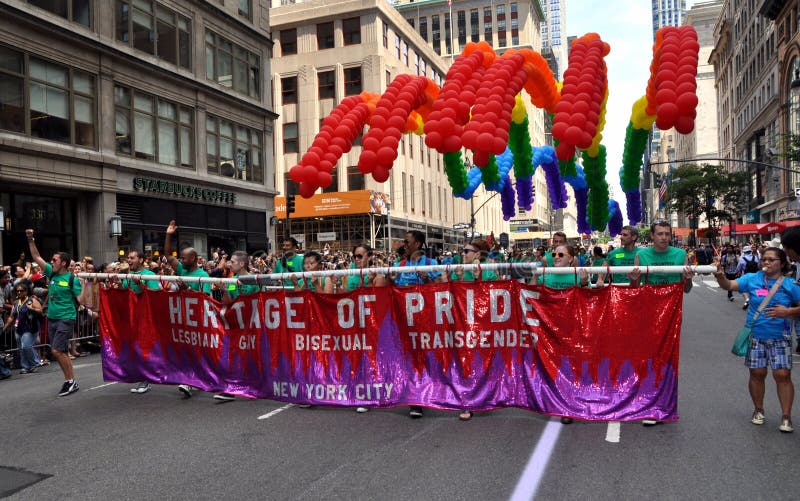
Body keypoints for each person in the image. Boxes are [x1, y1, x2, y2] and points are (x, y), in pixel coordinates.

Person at [713, 247, 798, 433]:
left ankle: (786, 417)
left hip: (781, 337)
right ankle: (758, 410)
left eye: (771, 259)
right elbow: (729, 285)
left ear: (782, 263)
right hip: (756, 335)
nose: (766, 262)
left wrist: (788, 312)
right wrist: (719, 276)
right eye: (764, 259)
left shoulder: (790, 284)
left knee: (783, 375)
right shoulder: (752, 278)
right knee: (757, 374)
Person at [629, 220, 694, 425]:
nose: (664, 237)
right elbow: (634, 289)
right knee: (649, 360)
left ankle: (663, 405)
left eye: (667, 234)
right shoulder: (642, 256)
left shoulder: (680, 255)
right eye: (660, 234)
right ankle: (649, 404)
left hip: (671, 317)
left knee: (668, 361)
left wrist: (689, 278)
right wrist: (634, 279)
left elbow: (687, 289)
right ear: (652, 236)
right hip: (648, 316)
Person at [26, 228, 89, 396]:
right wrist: (31, 239)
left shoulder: (72, 279)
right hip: (52, 318)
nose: (51, 261)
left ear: (63, 263)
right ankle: (71, 381)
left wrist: (84, 286)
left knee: (56, 351)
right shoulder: (51, 274)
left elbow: (81, 300)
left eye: (54, 260)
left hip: (66, 317)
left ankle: (70, 381)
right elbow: (36, 257)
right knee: (62, 351)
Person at [444, 239, 497, 421]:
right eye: (462, 251)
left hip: (483, 323)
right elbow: (449, 295)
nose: (463, 254)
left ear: (477, 254)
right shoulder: (458, 270)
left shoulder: (488, 269)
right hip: (463, 324)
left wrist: (477, 278)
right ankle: (468, 402)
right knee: (466, 362)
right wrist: (458, 279)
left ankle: (485, 395)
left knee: (483, 361)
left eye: (466, 251)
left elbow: (496, 294)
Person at [390, 230, 442, 419]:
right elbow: (394, 288)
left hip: (426, 320)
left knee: (425, 358)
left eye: (407, 241)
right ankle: (415, 399)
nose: (404, 244)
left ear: (417, 244)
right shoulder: (401, 264)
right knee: (410, 358)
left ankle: (430, 392)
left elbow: (440, 287)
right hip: (405, 320)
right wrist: (390, 279)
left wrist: (426, 278)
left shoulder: (431, 263)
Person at [164, 220, 211, 398]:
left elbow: (206, 298)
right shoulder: (182, 270)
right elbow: (168, 255)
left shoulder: (203, 275)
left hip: (197, 321)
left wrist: (188, 289)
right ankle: (193, 379)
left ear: (193, 258)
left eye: (184, 258)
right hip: (182, 320)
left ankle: (192, 381)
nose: (181, 261)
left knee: (196, 352)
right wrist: (168, 234)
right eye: (181, 258)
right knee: (187, 352)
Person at [214, 250, 261, 403]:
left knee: (251, 357)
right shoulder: (231, 280)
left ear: (241, 264)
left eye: (232, 262)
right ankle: (231, 389)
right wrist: (224, 290)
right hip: (236, 326)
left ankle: (255, 387)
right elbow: (228, 302)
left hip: (252, 326)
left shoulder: (254, 280)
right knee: (233, 357)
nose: (229, 264)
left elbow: (259, 303)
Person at [120, 250, 160, 395]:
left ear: (141, 260)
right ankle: (143, 377)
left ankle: (146, 379)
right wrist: (116, 283)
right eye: (128, 258)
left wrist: (140, 284)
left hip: (146, 319)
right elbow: (124, 294)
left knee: (145, 349)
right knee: (134, 350)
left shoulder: (150, 275)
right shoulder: (127, 276)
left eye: (132, 258)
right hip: (131, 319)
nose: (129, 260)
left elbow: (154, 295)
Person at [3, 280, 44, 374]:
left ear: (26, 291)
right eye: (17, 291)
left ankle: (34, 363)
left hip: (30, 328)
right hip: (18, 329)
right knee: (21, 349)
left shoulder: (32, 300)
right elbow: (11, 317)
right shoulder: (16, 302)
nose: (19, 292)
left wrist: (32, 308)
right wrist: (4, 329)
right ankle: (25, 366)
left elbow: (40, 311)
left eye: (21, 291)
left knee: (26, 346)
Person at [737, 246, 760, 310]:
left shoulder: (742, 259)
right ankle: (757, 301)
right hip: (755, 276)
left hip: (745, 276)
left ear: (744, 252)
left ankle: (747, 299)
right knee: (754, 289)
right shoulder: (755, 257)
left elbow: (738, 268)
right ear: (750, 251)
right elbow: (759, 266)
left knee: (744, 289)